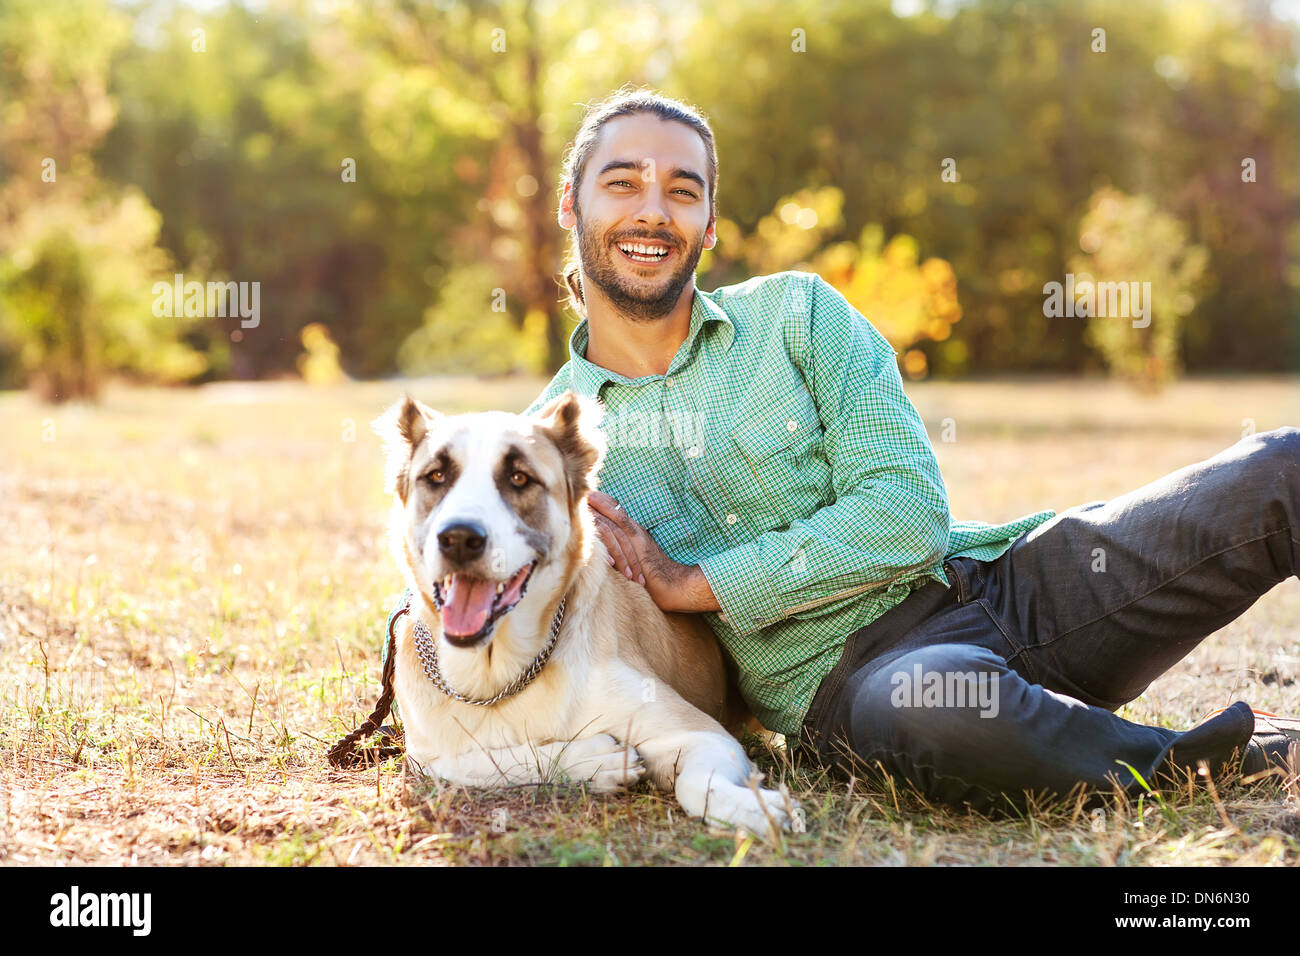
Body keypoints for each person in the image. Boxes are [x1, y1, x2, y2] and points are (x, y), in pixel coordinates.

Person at [522, 86, 1300, 812]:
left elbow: (908, 513)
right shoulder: (548, 449)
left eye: (683, 191)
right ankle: (1218, 761)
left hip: (1000, 588)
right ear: (570, 203)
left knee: (1279, 470)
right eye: (622, 183)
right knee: (939, 710)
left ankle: (1069, 725)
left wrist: (694, 583)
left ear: (710, 224)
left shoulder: (800, 315)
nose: (654, 211)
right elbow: (487, 585)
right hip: (861, 687)